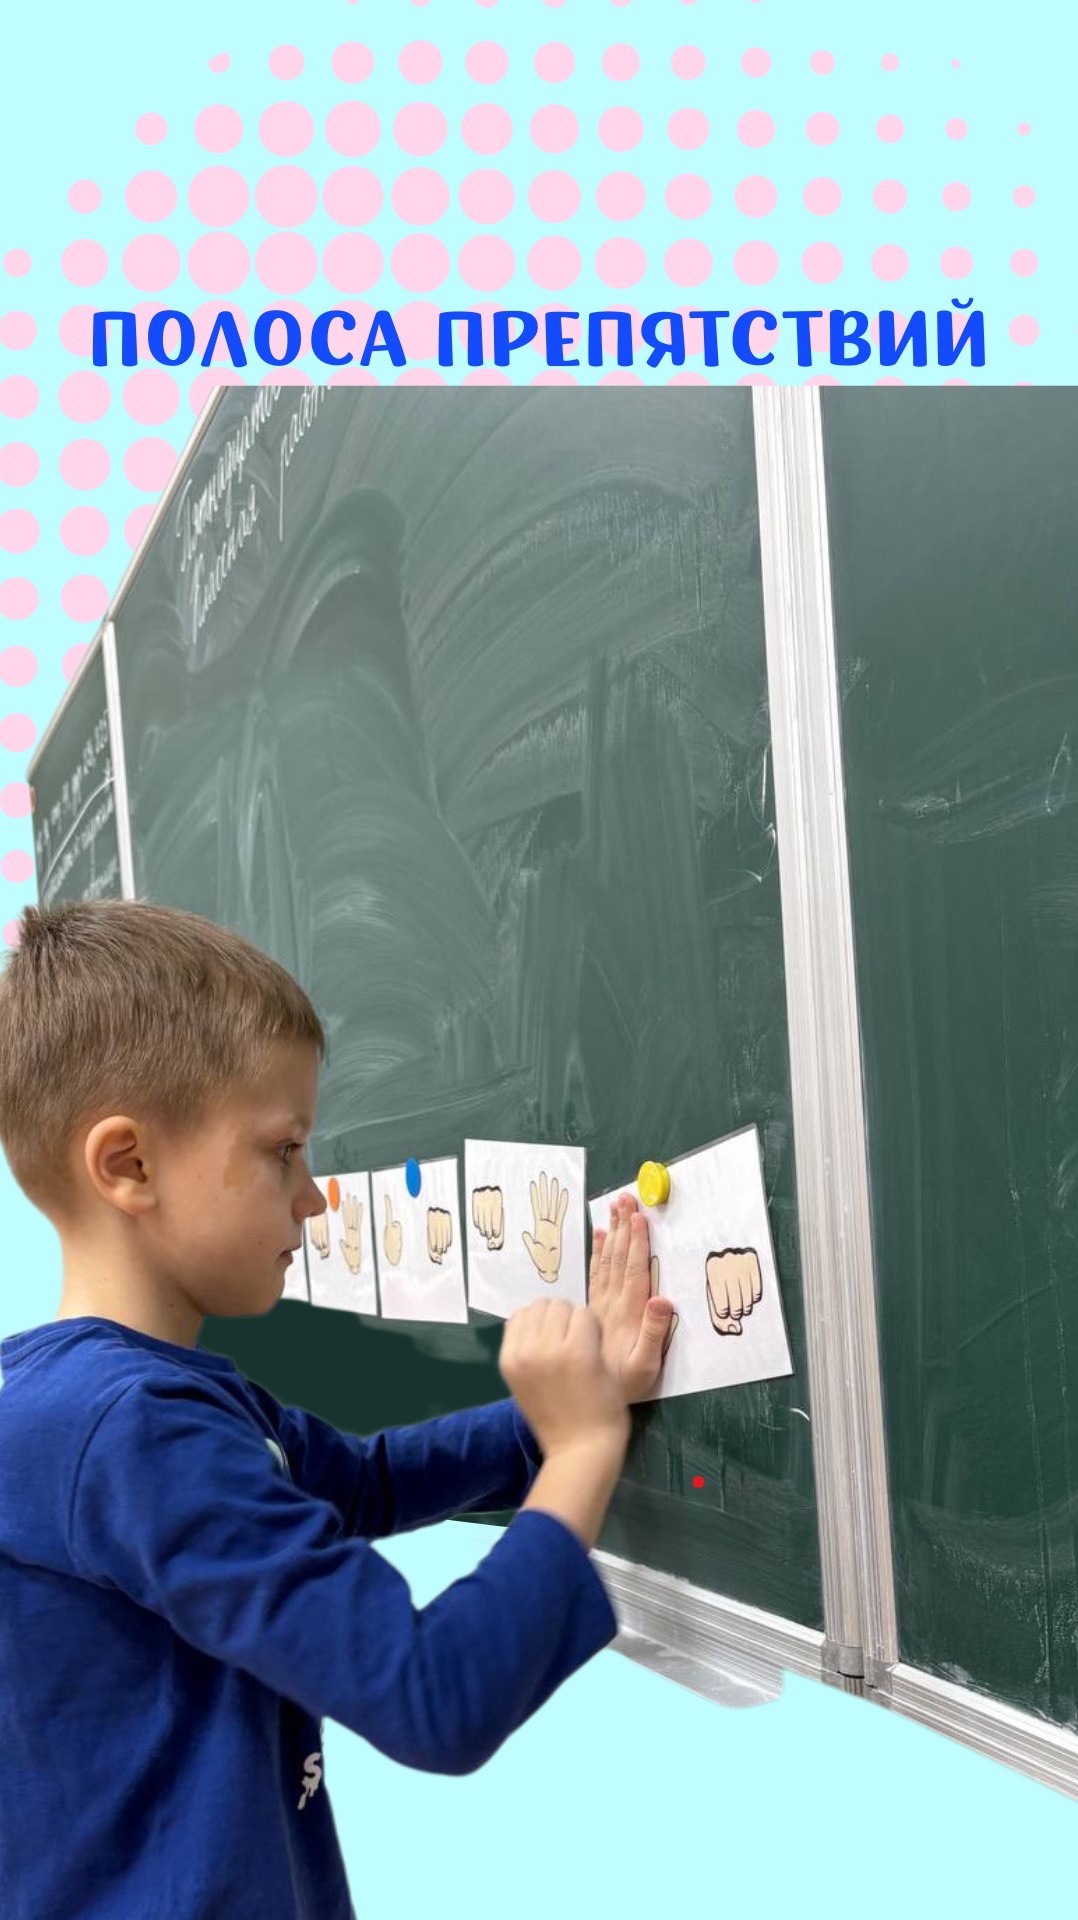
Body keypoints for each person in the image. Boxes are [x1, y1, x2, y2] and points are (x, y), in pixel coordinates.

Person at [0, 899, 676, 1920]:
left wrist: (570, 1401)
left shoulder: (106, 1399)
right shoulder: (135, 1433)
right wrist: (582, 1448)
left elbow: (365, 1481)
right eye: (282, 1151)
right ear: (129, 1165)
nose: (313, 1198)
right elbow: (437, 1699)